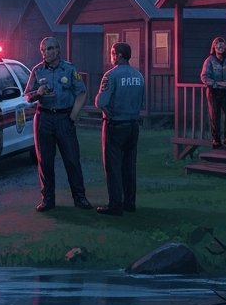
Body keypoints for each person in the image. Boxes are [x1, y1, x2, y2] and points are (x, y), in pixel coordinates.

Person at [23, 36, 92, 212]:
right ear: (42, 52)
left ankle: (80, 198)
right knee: (45, 160)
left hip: (64, 118)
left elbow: (81, 92)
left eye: (52, 48)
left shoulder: (69, 69)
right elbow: (27, 96)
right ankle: (47, 199)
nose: (48, 52)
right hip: (44, 118)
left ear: (58, 49)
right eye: (45, 49)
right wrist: (38, 93)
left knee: (72, 159)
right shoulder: (37, 70)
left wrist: (73, 115)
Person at [94, 42, 144, 216]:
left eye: (112, 53)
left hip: (115, 124)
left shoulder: (111, 75)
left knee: (113, 165)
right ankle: (130, 202)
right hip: (133, 124)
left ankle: (115, 204)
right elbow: (142, 102)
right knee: (129, 164)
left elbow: (100, 102)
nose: (111, 56)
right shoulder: (139, 76)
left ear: (119, 55)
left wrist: (110, 113)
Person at [201, 37, 226, 149]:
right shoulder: (209, 61)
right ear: (214, 47)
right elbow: (204, 76)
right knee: (215, 116)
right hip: (214, 91)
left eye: (222, 45)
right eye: (218, 46)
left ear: (225, 47)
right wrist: (215, 83)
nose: (220, 48)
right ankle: (216, 140)